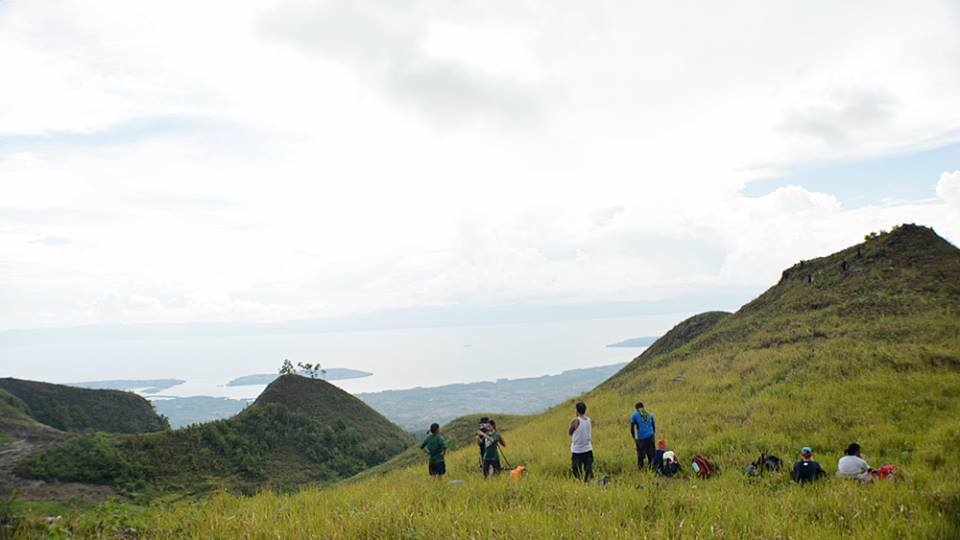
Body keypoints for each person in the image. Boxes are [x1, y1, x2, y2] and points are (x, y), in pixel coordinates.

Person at [569, 401, 593, 482]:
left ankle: (579, 484)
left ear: (577, 410)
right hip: (588, 448)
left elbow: (570, 432)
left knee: (576, 472)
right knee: (588, 471)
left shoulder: (576, 421)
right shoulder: (589, 420)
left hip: (577, 450)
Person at [629, 402, 656, 469]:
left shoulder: (634, 415)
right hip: (650, 436)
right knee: (651, 453)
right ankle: (652, 467)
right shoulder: (649, 414)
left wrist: (633, 437)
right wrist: (653, 434)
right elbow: (653, 425)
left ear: (636, 408)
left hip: (641, 437)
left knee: (640, 454)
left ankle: (641, 468)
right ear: (643, 407)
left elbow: (632, 427)